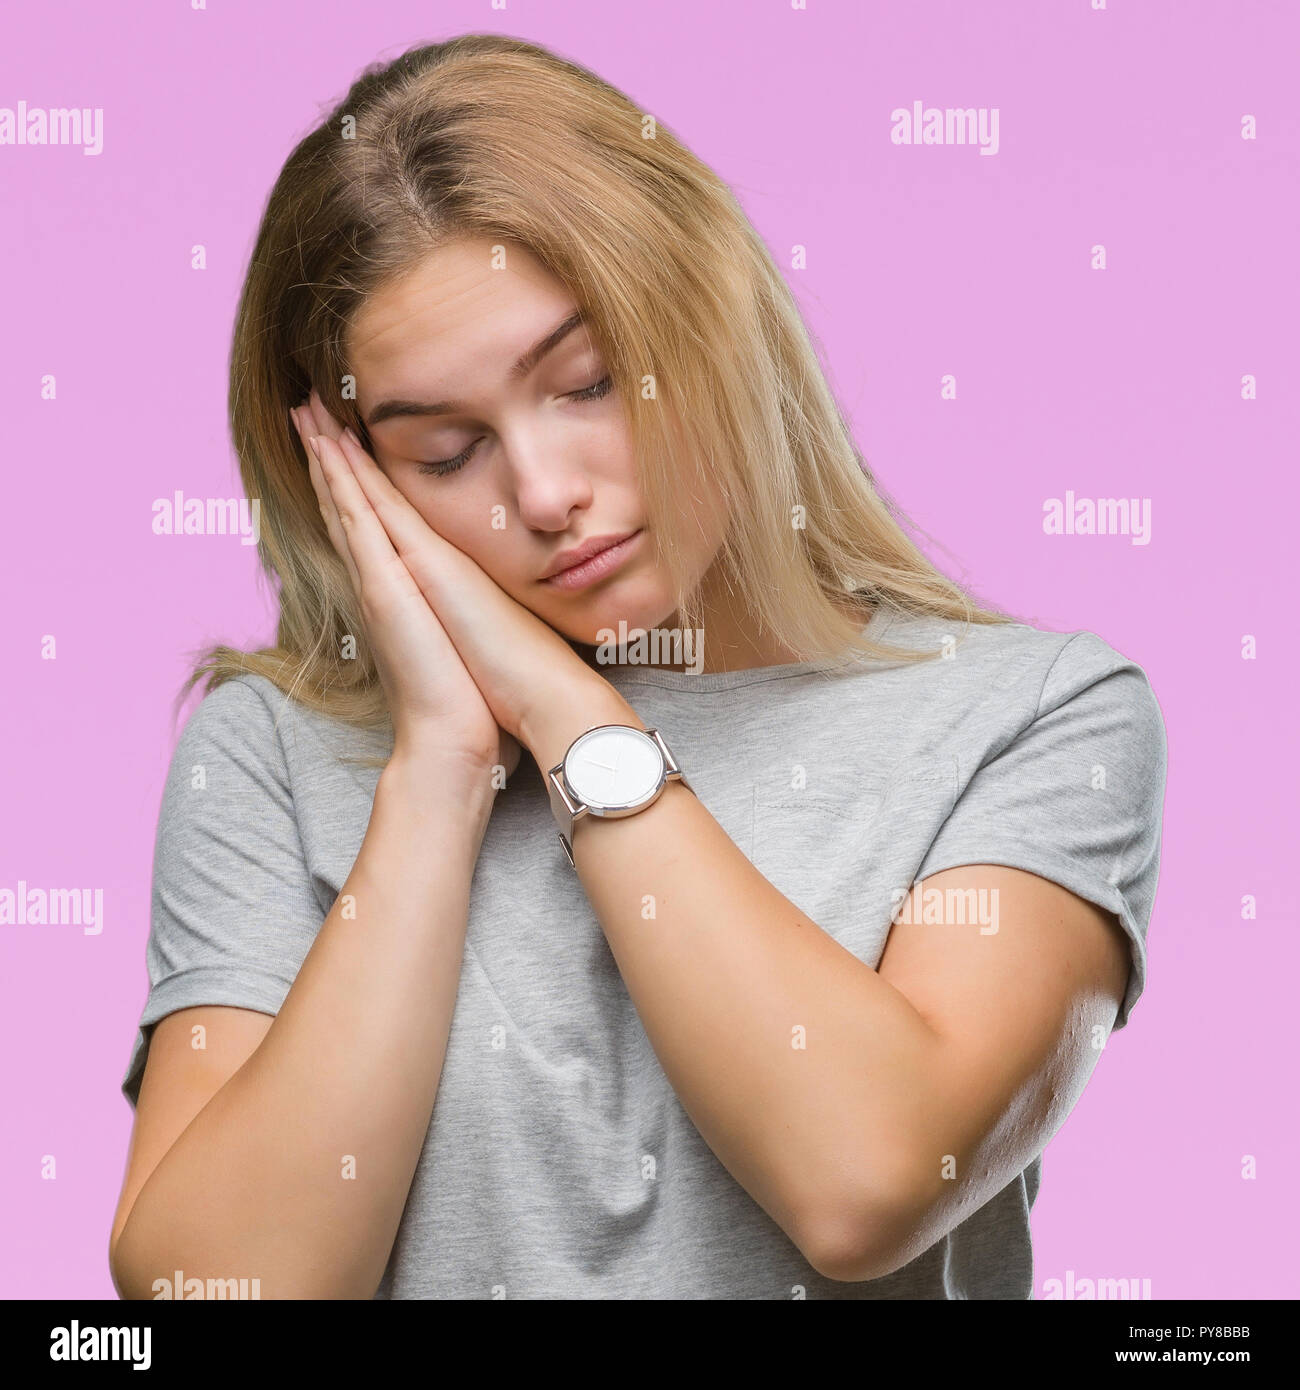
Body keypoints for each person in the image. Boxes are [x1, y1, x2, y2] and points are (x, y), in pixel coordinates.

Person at [109, 33, 1167, 1300]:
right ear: (356, 486)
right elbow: (214, 1298)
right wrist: (439, 773)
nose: (548, 493)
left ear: (705, 306)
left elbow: (864, 1176)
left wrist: (565, 716)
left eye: (590, 381)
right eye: (446, 454)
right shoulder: (275, 756)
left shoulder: (1033, 719)